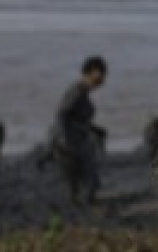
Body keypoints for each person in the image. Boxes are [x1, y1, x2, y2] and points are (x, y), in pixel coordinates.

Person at [47, 56, 107, 205]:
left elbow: (77, 118)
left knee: (88, 179)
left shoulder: (83, 93)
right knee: (80, 180)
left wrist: (96, 129)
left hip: (77, 139)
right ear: (90, 73)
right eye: (100, 74)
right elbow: (61, 115)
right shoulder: (76, 91)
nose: (102, 79)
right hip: (66, 142)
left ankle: (82, 201)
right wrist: (64, 140)